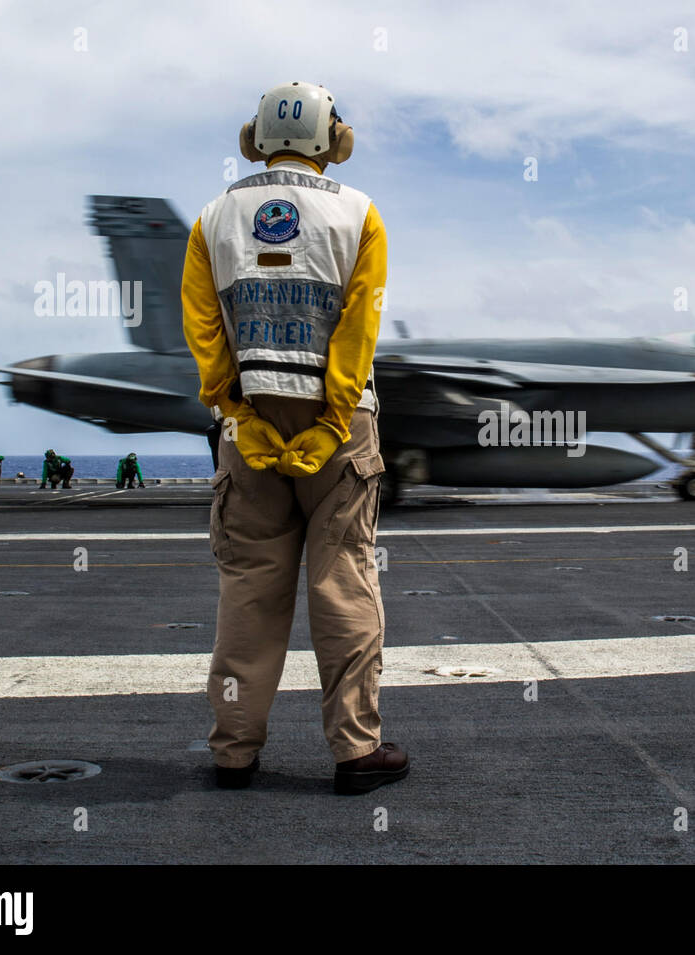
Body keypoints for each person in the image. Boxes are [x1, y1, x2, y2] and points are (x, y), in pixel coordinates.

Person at [182, 80, 404, 793]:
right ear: (331, 138)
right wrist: (334, 419)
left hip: (247, 423)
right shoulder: (360, 214)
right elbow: (360, 327)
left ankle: (233, 752)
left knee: (249, 589)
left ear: (257, 137)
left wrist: (236, 411)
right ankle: (355, 752)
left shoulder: (212, 218)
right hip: (338, 427)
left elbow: (203, 332)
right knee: (343, 583)